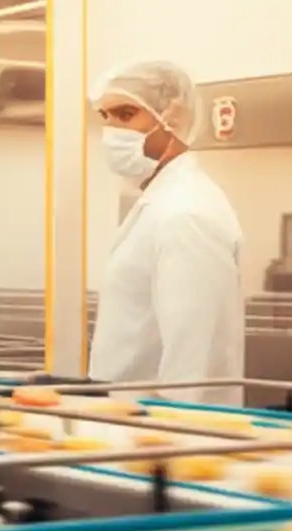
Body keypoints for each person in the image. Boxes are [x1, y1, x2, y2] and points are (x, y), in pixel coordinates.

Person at [87, 60, 244, 406]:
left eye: (126, 115)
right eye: (106, 118)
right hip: (127, 426)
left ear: (174, 117)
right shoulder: (161, 203)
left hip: (166, 440)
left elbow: (191, 370)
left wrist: (163, 446)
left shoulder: (186, 214)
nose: (112, 132)